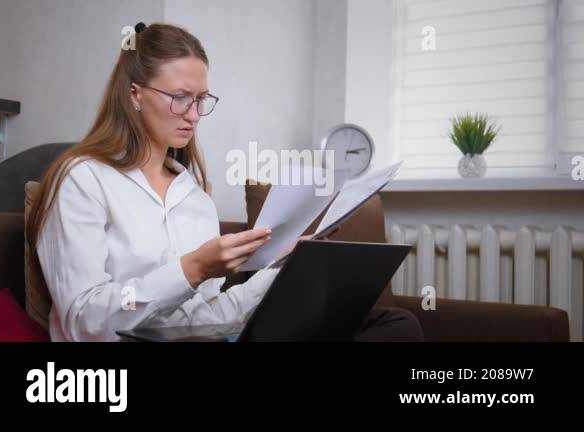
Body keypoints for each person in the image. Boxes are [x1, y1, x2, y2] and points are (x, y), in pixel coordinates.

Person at [26, 22, 423, 342]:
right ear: (134, 94)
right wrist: (193, 267)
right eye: (181, 97)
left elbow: (213, 317)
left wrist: (290, 267)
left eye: (201, 100)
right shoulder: (83, 179)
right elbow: (83, 321)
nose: (194, 114)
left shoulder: (194, 196)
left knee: (393, 325)